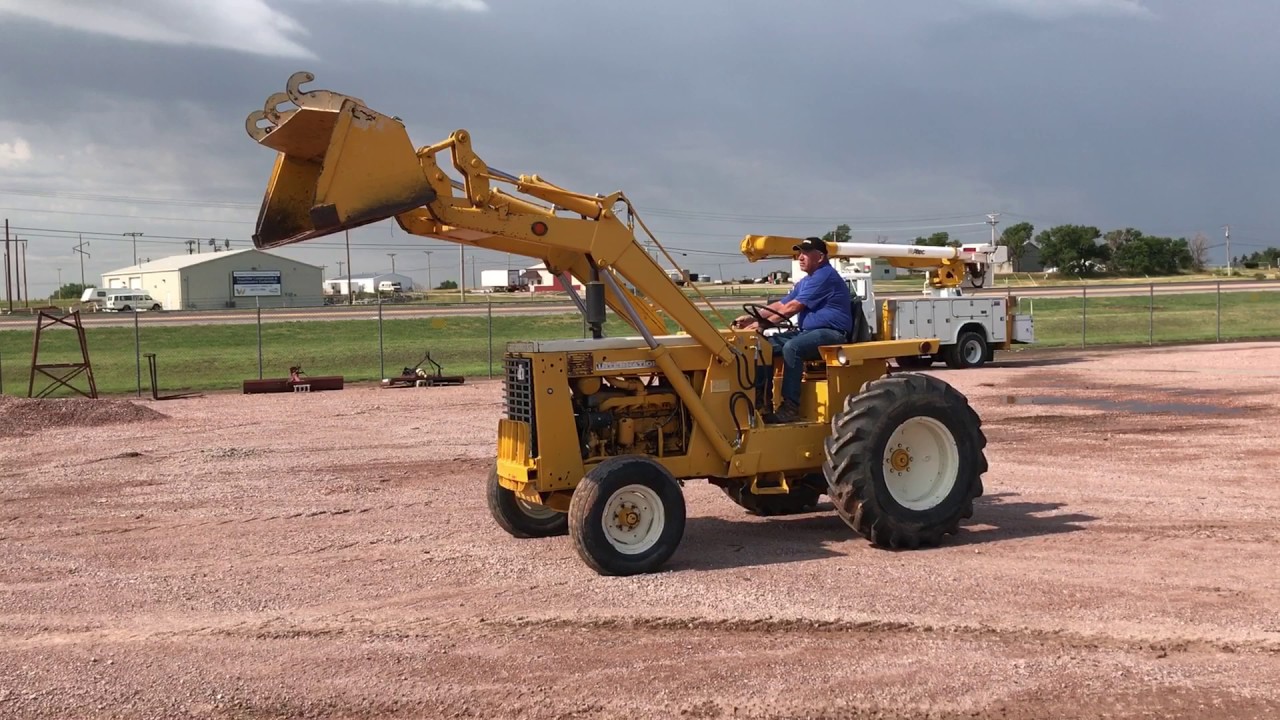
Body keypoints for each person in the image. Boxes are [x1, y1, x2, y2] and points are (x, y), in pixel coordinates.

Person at [732, 237, 852, 423]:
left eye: (805, 253)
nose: (800, 257)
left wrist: (763, 325)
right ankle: (761, 403)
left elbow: (792, 308)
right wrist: (754, 318)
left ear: (820, 257)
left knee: (793, 347)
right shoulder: (807, 281)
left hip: (832, 333)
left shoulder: (824, 276)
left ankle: (790, 407)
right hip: (809, 332)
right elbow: (781, 305)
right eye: (799, 253)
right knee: (763, 346)